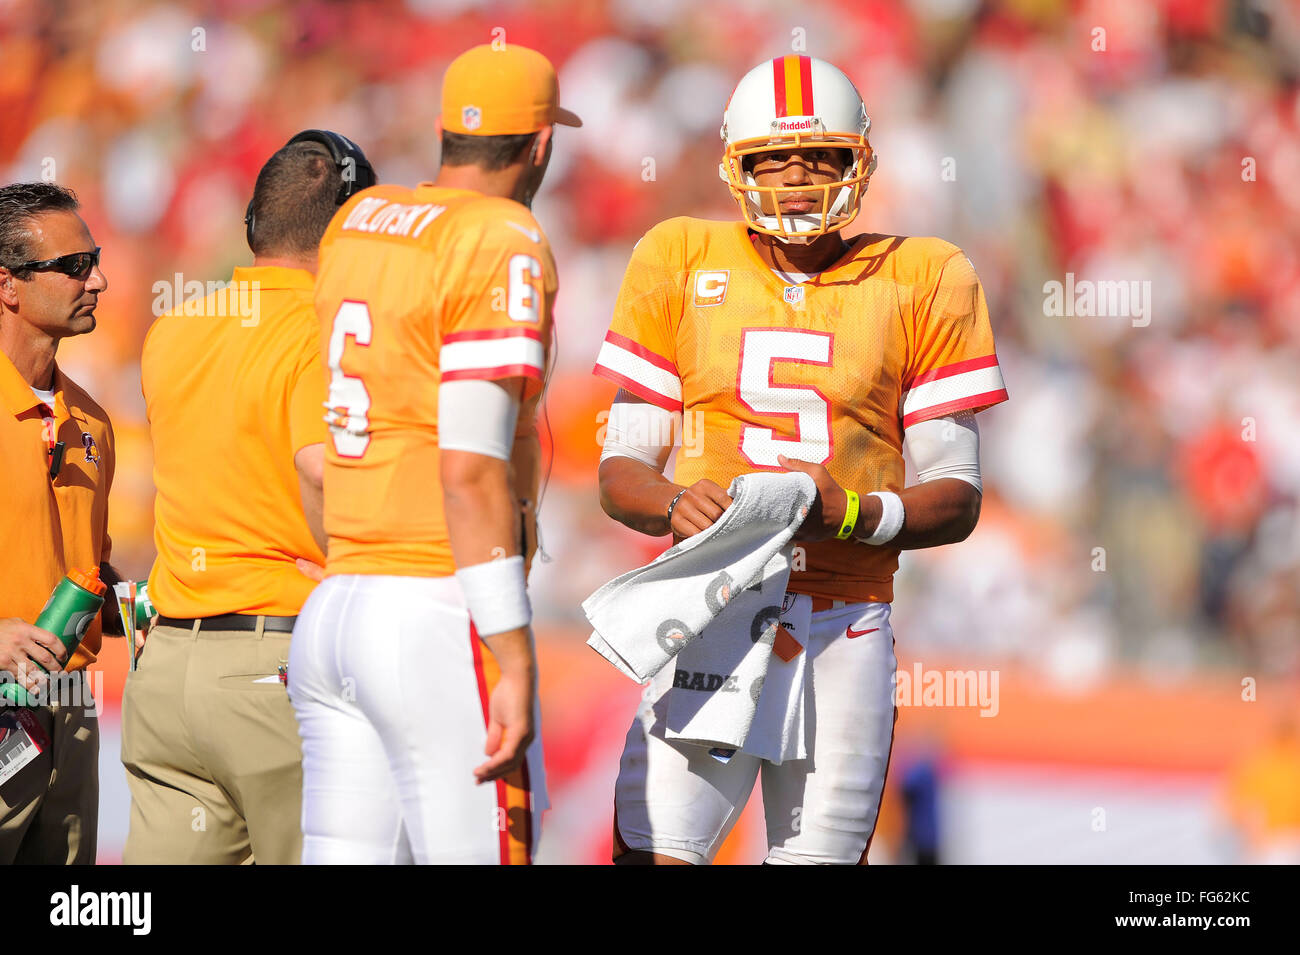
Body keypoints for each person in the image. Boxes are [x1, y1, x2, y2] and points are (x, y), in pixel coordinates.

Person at [593, 55, 1008, 864]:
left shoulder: (924, 275)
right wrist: (672, 502)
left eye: (820, 156)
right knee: (653, 854)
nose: (797, 177)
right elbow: (622, 471)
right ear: (735, 165)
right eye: (771, 159)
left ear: (859, 160)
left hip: (843, 619)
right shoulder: (676, 256)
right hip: (712, 605)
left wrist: (847, 512)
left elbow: (956, 496)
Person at [289, 42, 578, 864]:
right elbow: (470, 465)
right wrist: (511, 649)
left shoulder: (359, 220)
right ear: (542, 145)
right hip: (434, 609)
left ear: (446, 132)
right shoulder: (502, 236)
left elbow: (316, 452)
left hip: (339, 604)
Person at [122, 131, 377, 864]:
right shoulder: (326, 329)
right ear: (350, 228)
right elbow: (323, 467)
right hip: (278, 665)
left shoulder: (174, 330)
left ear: (252, 225)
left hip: (168, 668)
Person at [0, 181, 121, 864]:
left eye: (95, 259)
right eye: (74, 266)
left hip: (71, 713)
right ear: (9, 286)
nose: (98, 279)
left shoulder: (95, 420)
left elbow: (88, 566)